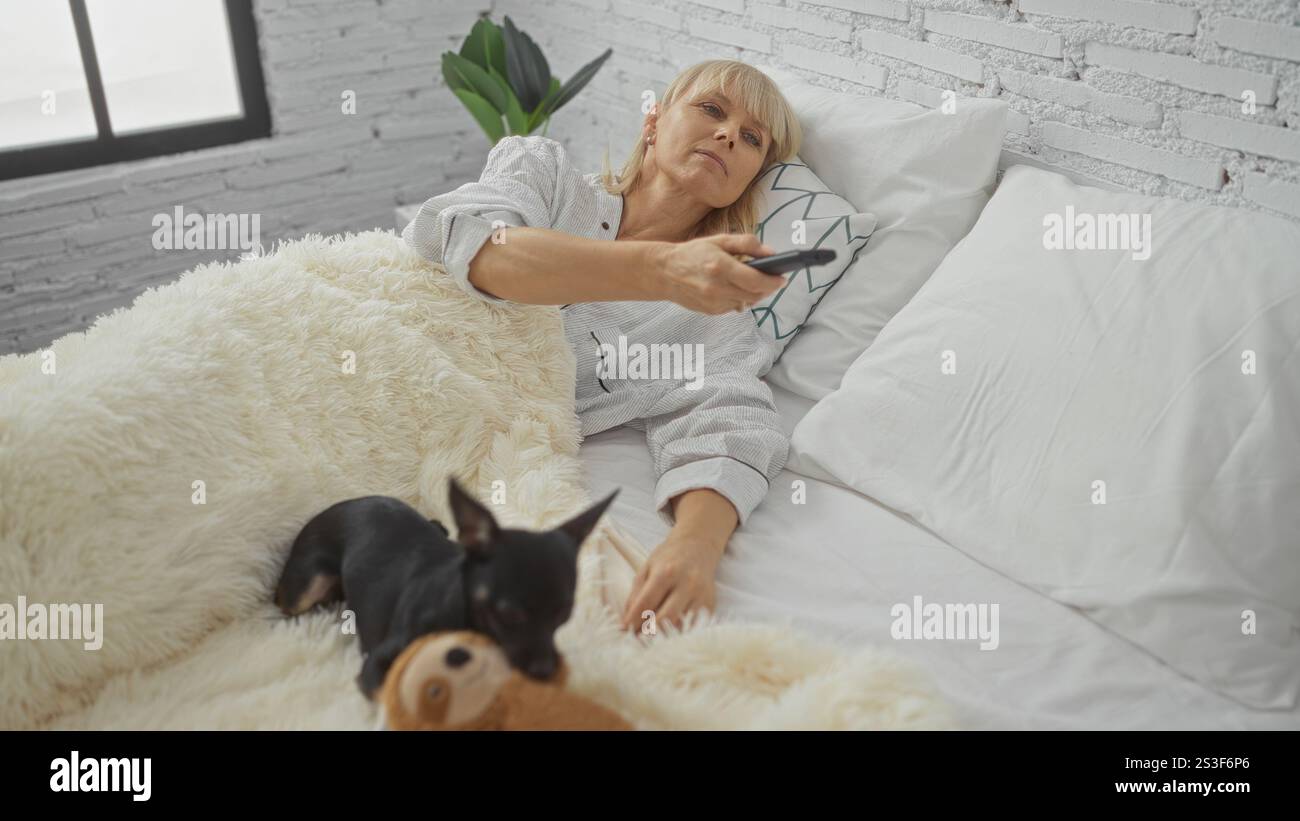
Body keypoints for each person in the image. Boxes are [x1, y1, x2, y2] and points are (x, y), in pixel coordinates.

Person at [402, 59, 804, 633]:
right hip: (394, 361)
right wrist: (661, 268)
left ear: (750, 177)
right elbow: (482, 249)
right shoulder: (545, 173)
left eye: (751, 139)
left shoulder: (713, 316)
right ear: (653, 122)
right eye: (713, 110)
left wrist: (694, 548)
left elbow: (730, 426)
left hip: (463, 453)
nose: (727, 135)